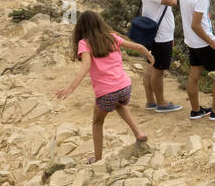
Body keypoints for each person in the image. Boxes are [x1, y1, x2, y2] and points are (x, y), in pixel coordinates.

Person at [56, 10, 151, 162]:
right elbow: (138, 47)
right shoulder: (112, 37)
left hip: (107, 93)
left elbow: (85, 66)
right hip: (125, 87)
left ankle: (98, 159)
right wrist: (150, 56)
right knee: (120, 106)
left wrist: (71, 88)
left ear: (81, 28)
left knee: (97, 122)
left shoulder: (84, 43)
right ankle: (139, 133)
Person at [138, 0, 181, 112]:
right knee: (158, 70)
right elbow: (173, 2)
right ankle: (161, 103)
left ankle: (151, 102)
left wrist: (171, 35)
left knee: (151, 68)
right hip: (159, 38)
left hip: (161, 35)